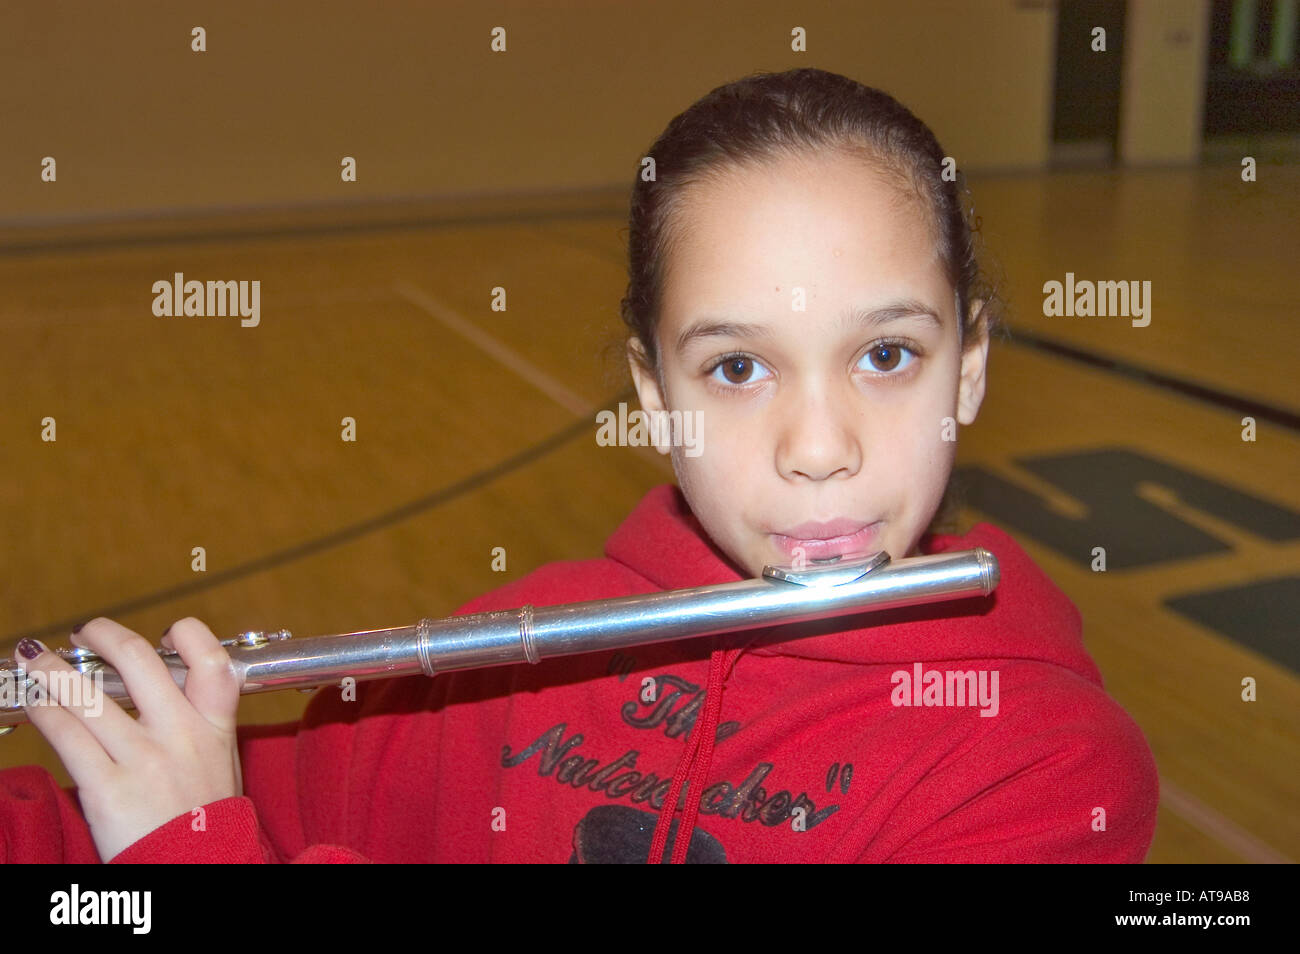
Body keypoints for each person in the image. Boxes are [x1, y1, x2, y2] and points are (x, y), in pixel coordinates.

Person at [2, 68, 1158, 864]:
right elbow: (105, 835)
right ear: (653, 396)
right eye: (738, 370)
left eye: (887, 354)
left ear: (967, 369)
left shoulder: (1039, 768)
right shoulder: (514, 657)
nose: (819, 449)